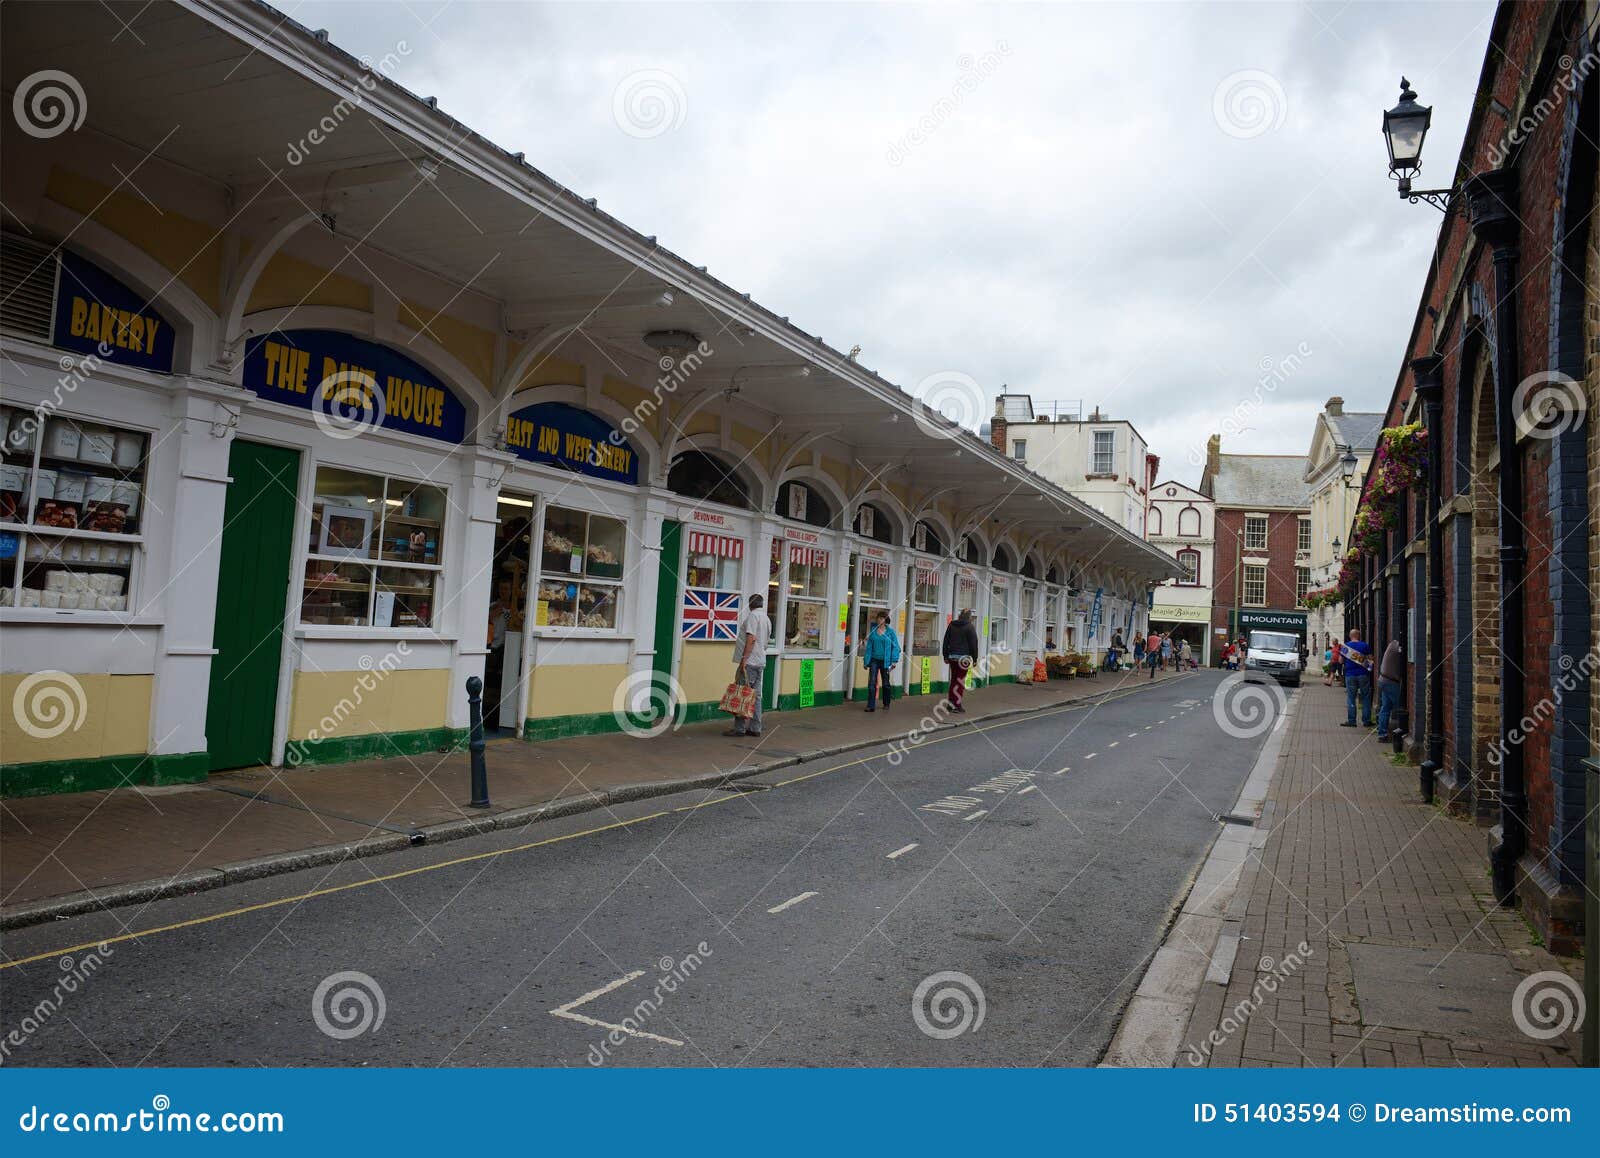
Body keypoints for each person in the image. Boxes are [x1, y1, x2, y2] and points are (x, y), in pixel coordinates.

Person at [724, 594, 770, 737]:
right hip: (760, 661)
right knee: (756, 696)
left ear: (750, 604)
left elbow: (751, 638)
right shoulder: (767, 619)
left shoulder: (753, 617)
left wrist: (744, 659)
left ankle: (740, 728)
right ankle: (755, 727)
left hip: (750, 662)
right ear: (761, 604)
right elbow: (766, 642)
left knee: (742, 694)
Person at [941, 608, 981, 713]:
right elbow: (974, 644)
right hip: (964, 659)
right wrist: (975, 658)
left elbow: (946, 641)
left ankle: (950, 704)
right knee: (960, 682)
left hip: (952, 657)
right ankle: (957, 705)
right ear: (969, 616)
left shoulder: (951, 625)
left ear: (960, 615)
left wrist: (945, 656)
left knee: (954, 680)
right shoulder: (970, 627)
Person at [861, 611, 900, 712]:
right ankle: (871, 706)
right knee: (872, 683)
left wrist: (894, 661)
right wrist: (866, 661)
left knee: (886, 683)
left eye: (882, 618)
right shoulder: (873, 632)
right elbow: (869, 648)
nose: (879, 620)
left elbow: (896, 647)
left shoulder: (890, 632)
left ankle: (886, 703)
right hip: (874, 660)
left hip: (886, 661)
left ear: (885, 620)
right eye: (878, 618)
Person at [1340, 627, 1374, 729]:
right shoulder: (1365, 645)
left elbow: (1341, 661)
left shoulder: (1346, 646)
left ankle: (1352, 721)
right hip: (1363, 674)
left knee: (1351, 698)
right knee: (1366, 698)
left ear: (1350, 636)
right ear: (1359, 636)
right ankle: (1367, 721)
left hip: (1350, 675)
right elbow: (1370, 660)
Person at [1376, 638, 1404, 741]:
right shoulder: (1398, 648)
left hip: (1383, 679)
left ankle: (1382, 734)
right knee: (1400, 706)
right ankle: (1401, 733)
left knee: (1385, 708)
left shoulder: (1392, 645)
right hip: (1391, 682)